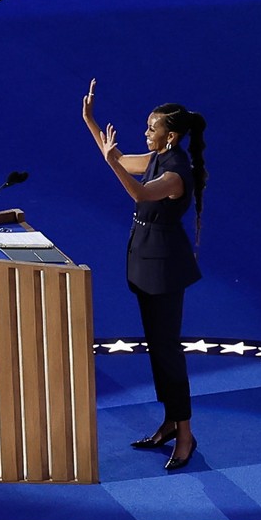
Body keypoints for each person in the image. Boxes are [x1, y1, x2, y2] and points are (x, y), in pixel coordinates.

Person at [81, 79, 208, 470]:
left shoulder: (175, 173)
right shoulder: (158, 159)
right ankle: (169, 422)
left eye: (151, 128)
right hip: (145, 261)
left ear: (170, 137)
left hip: (165, 267)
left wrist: (111, 163)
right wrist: (90, 120)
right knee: (157, 347)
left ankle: (185, 432)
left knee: (168, 349)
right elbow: (118, 157)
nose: (145, 133)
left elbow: (138, 192)